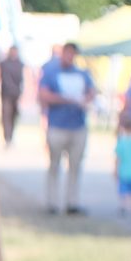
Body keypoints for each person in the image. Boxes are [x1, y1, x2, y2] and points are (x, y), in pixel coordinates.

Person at [37, 40, 93, 214]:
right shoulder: (51, 72)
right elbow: (44, 95)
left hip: (77, 125)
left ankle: (72, 202)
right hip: (58, 124)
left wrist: (84, 100)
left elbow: (91, 92)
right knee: (54, 164)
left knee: (75, 165)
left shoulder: (82, 74)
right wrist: (66, 99)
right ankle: (52, 202)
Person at [0, 45, 25, 147]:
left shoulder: (20, 64)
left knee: (13, 115)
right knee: (6, 115)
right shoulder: (4, 64)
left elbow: (23, 79)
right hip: (6, 93)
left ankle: (10, 136)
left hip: (16, 94)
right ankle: (7, 137)